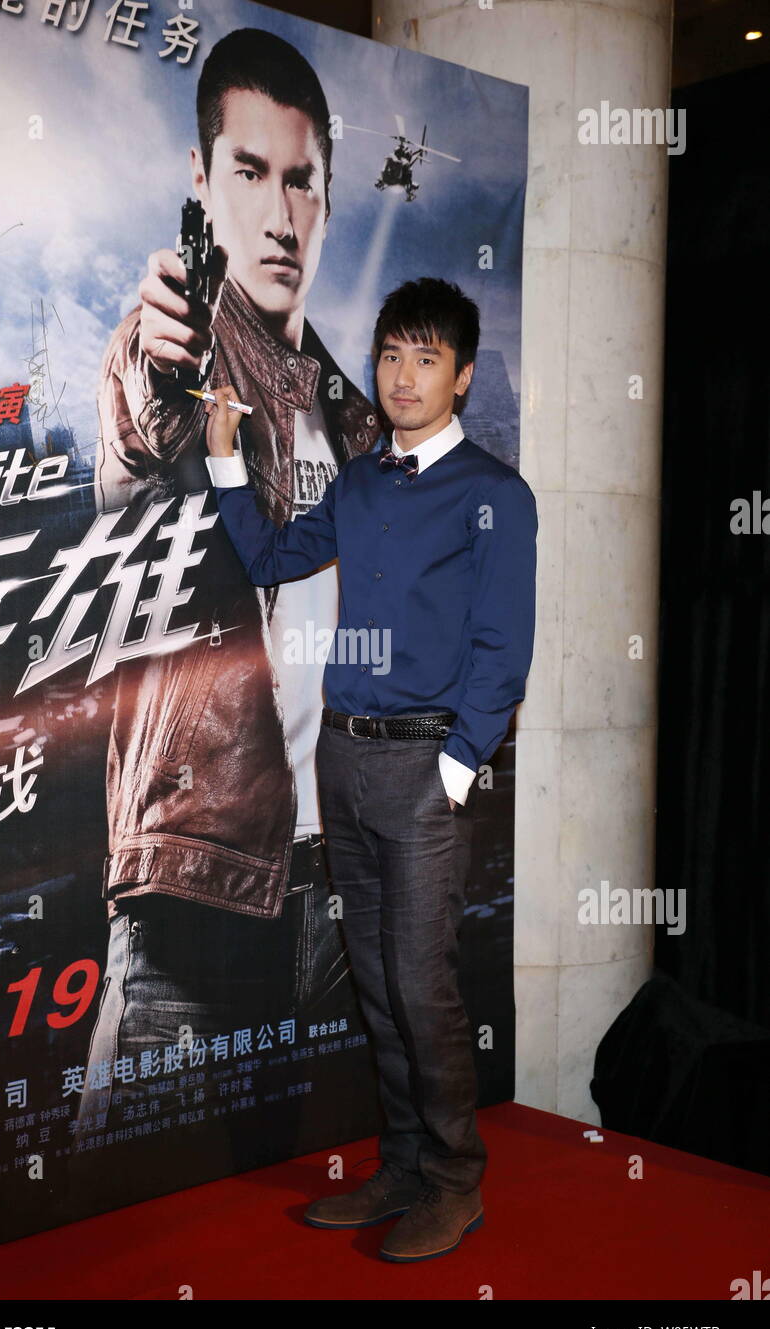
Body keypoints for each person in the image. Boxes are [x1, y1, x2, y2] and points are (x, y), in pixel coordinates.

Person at [74, 29, 381, 1151]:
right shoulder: (177, 347)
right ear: (201, 187)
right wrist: (155, 361)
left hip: (331, 890)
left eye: (300, 178)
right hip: (196, 893)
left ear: (329, 202)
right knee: (121, 1242)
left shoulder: (347, 411)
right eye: (246, 172)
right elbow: (138, 435)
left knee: (296, 1227)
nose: (278, 211)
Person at [203, 276, 538, 1263]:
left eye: (425, 358)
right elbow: (268, 559)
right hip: (342, 761)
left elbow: (502, 647)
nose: (400, 375)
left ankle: (453, 1178)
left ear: (461, 377)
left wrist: (457, 768)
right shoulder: (354, 485)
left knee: (420, 983)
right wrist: (225, 461)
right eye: (390, 353)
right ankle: (399, 1164)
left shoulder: (491, 496)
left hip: (425, 770)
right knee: (376, 982)